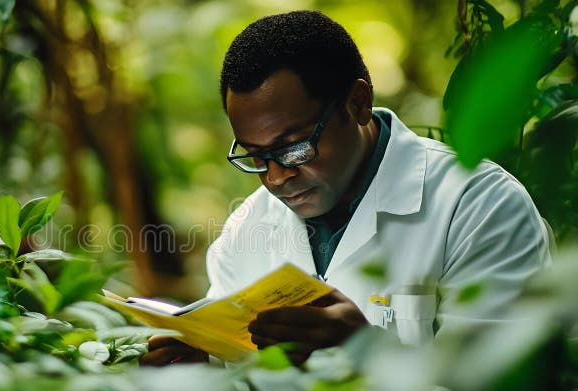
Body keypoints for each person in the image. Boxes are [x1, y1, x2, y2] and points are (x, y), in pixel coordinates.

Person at [140, 10, 551, 367]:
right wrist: (200, 371)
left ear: (358, 103)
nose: (276, 178)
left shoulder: (477, 205)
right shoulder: (247, 226)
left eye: (295, 147)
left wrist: (369, 354)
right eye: (255, 156)